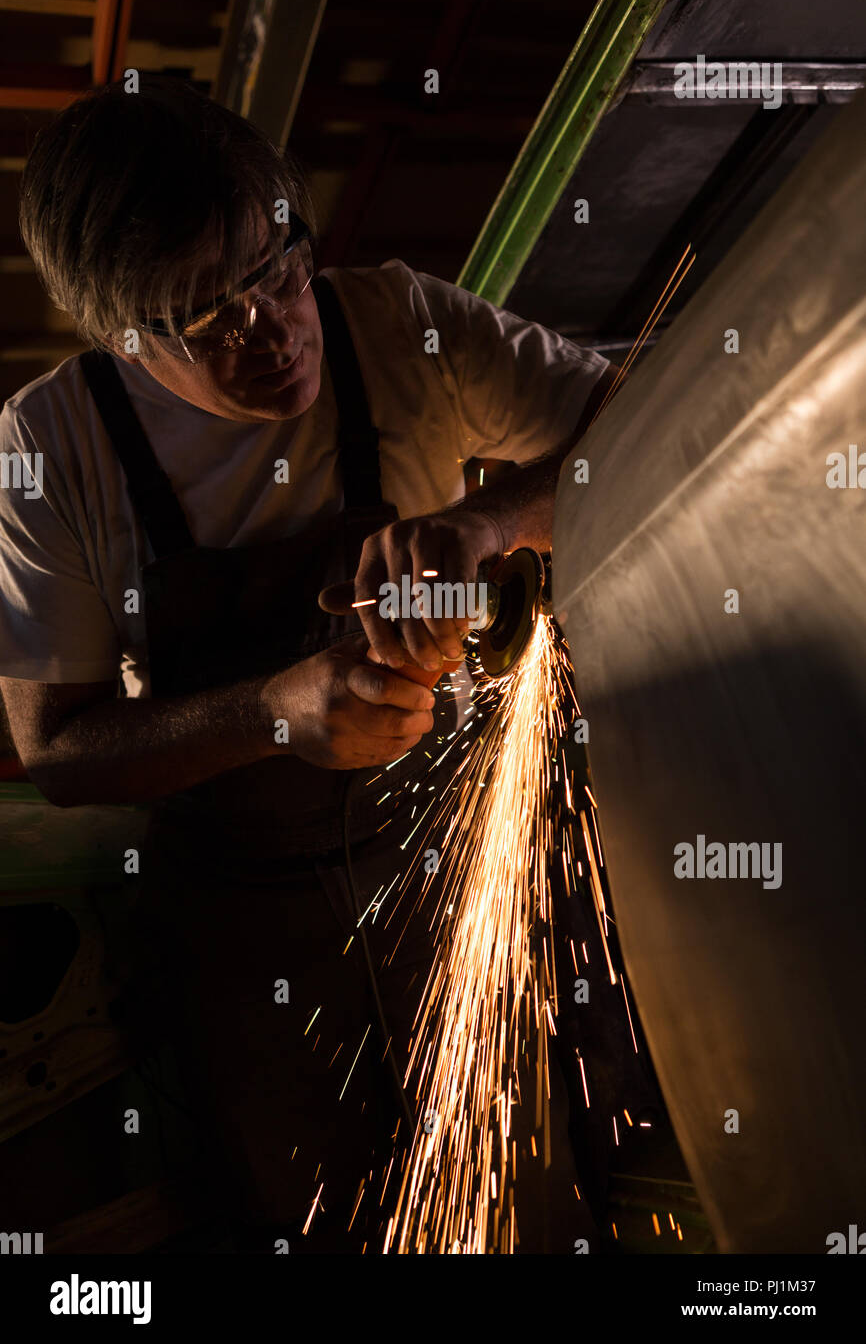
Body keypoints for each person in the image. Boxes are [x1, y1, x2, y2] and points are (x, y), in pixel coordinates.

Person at [0, 75, 614, 1253]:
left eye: (275, 267)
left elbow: (633, 424)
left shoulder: (395, 324)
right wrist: (269, 713)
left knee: (520, 1190)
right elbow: (57, 749)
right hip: (241, 935)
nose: (271, 329)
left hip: (446, 875)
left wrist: (488, 526)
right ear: (124, 337)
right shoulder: (50, 445)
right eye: (205, 316)